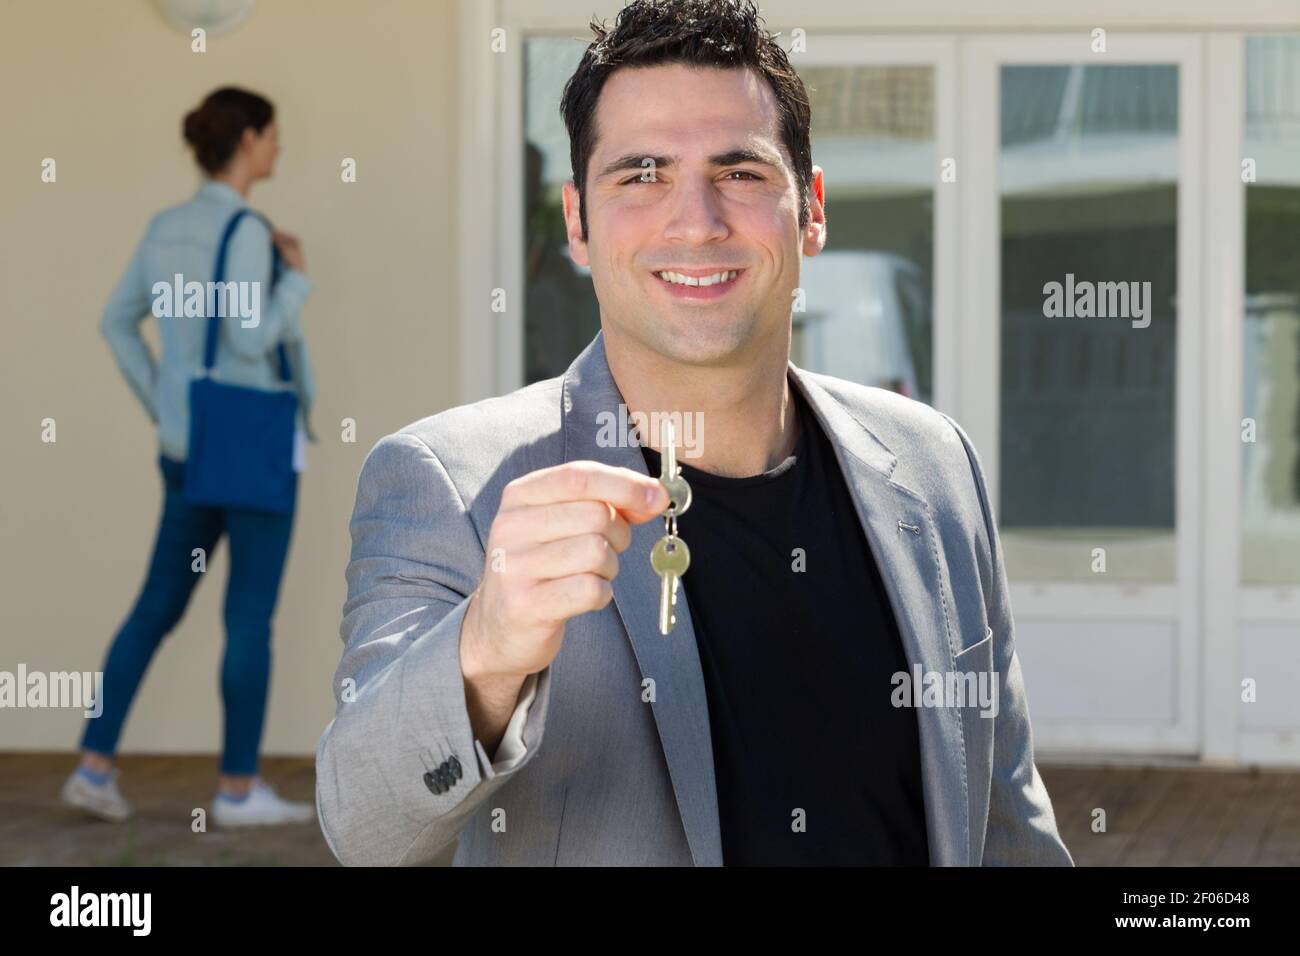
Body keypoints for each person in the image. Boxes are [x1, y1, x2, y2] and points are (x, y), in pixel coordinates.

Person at [317, 0, 1072, 865]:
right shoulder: (451, 483)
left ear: (812, 210)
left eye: (741, 171)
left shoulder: (935, 464)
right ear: (577, 224)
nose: (696, 220)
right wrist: (485, 652)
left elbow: (1008, 818)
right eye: (641, 173)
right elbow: (364, 825)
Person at [63, 87, 317, 828]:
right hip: (253, 445)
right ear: (245, 140)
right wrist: (296, 280)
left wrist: (164, 408)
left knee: (155, 608)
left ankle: (93, 764)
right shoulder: (246, 229)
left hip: (187, 449)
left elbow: (116, 324)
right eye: (272, 134)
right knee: (249, 616)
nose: (278, 147)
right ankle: (238, 791)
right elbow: (246, 338)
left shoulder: (165, 227)